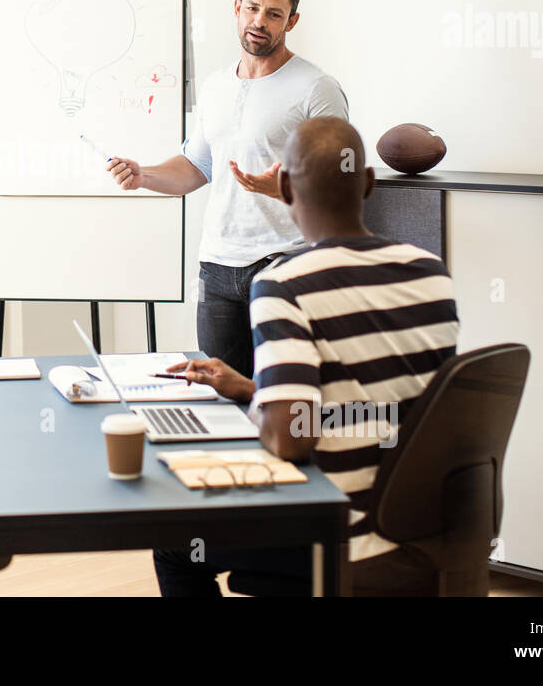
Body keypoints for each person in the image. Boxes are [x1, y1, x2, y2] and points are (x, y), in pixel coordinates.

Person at [153, 118, 459, 596]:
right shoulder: (429, 272)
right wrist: (255, 388)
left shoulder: (283, 284)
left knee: (174, 544)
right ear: (368, 183)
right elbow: (383, 406)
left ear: (283, 187)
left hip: (336, 530)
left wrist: (265, 410)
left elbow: (289, 440)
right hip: (421, 525)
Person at [107, 0, 348, 379]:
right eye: (252, 8)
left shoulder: (316, 87)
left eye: (274, 13)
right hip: (217, 270)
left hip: (285, 263)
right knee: (218, 394)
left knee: (283, 392)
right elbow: (197, 167)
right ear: (237, 7)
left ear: (291, 21)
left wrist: (285, 187)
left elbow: (341, 184)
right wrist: (143, 175)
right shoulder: (216, 86)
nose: (259, 21)